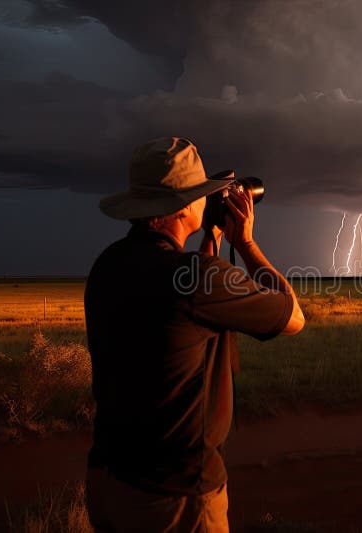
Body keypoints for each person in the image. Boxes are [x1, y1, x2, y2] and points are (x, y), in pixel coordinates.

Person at [84, 136, 305, 532]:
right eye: (201, 194)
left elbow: (185, 311)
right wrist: (246, 242)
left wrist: (213, 239)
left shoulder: (108, 265)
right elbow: (293, 317)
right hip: (176, 495)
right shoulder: (196, 279)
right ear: (185, 205)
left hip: (110, 481)